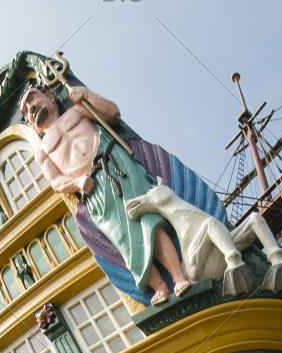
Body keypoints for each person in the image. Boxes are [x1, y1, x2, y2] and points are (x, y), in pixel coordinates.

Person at [21, 84, 191, 304]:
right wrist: (77, 182)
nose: (31, 108)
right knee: (124, 238)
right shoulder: (43, 152)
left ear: (50, 97)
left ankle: (178, 276)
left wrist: (87, 95)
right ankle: (159, 285)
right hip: (92, 188)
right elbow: (56, 182)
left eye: (33, 98)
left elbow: (112, 113)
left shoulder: (77, 110)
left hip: (114, 164)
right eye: (26, 110)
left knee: (148, 219)